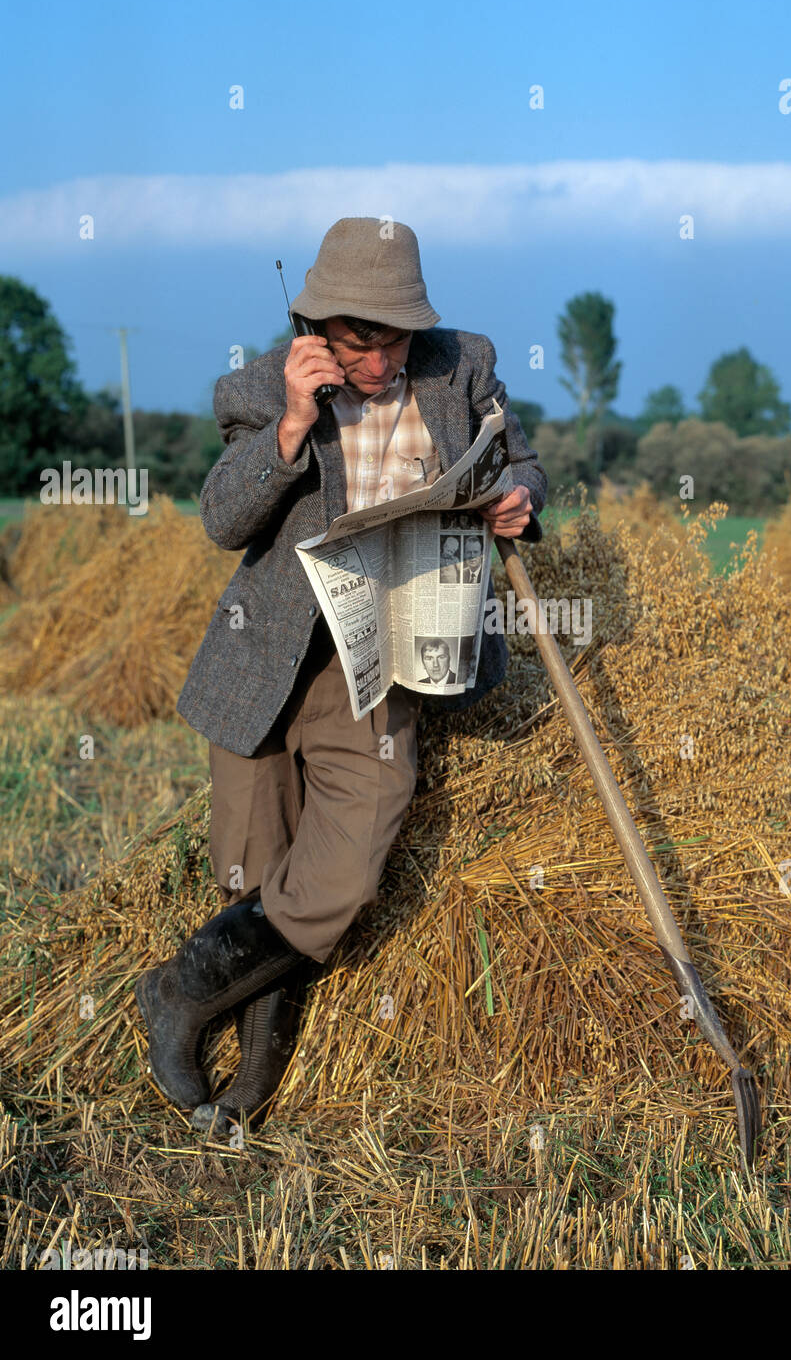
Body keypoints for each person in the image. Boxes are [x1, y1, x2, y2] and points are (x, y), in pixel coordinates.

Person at [137, 217, 547, 1136]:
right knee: (253, 868)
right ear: (317, 324)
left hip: (381, 656)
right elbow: (221, 520)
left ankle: (176, 991)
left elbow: (519, 460)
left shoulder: (462, 365)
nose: (381, 358)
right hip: (265, 658)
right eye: (361, 340)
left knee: (348, 868)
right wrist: (289, 426)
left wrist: (521, 498)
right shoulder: (258, 386)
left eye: (395, 335)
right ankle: (250, 1083)